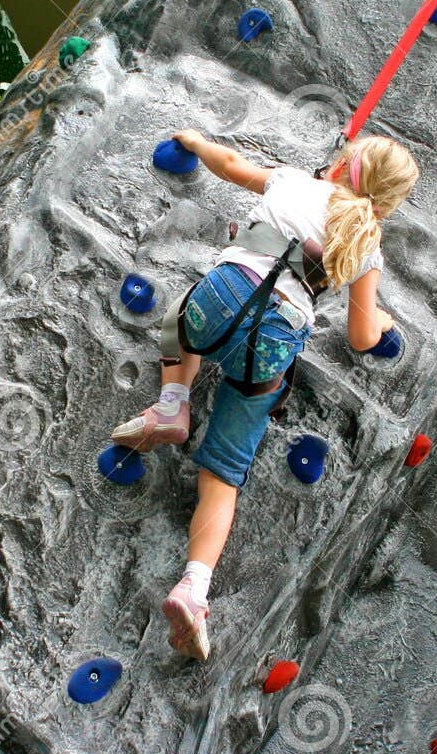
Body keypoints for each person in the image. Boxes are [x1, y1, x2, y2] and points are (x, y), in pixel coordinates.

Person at [111, 131, 419, 660]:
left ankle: (173, 403)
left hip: (216, 303)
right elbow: (362, 337)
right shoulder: (367, 243)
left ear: (345, 163)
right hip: (269, 348)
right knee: (224, 473)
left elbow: (229, 163)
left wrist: (194, 140)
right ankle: (193, 587)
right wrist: (385, 322)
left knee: (181, 317)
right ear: (386, 205)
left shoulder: (293, 182)